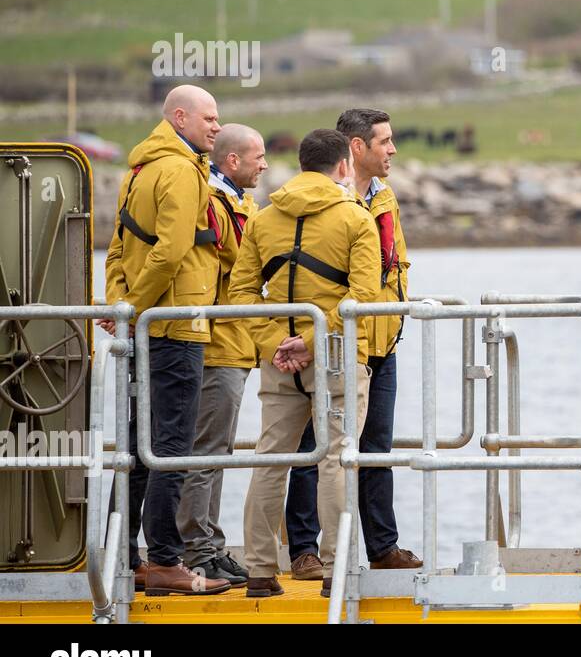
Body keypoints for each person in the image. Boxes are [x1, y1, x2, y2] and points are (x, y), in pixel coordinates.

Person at [229, 129, 382, 598]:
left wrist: (278, 340)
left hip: (279, 360)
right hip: (335, 353)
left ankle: (258, 571)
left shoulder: (263, 219)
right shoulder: (356, 220)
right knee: (337, 459)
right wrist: (312, 340)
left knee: (270, 458)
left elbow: (239, 295)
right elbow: (364, 295)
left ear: (300, 165)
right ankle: (335, 571)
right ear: (343, 167)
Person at [101, 84, 230, 595]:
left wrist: (122, 305)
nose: (217, 126)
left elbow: (117, 247)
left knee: (136, 447)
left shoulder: (138, 169)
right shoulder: (180, 168)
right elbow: (174, 250)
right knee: (171, 447)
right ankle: (166, 561)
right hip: (176, 326)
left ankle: (128, 555)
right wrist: (138, 308)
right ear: (180, 117)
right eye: (210, 117)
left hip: (147, 326)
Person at [284, 109, 421, 578]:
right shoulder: (325, 202)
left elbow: (395, 265)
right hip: (335, 345)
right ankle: (303, 549)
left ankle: (383, 545)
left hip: (382, 340)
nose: (392, 150)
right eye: (384, 141)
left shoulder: (385, 198)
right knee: (315, 447)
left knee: (375, 448)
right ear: (356, 148)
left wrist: (398, 315)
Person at [176, 123, 267, 587]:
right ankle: (197, 550)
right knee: (205, 450)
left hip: (234, 343)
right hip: (218, 344)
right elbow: (241, 255)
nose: (265, 165)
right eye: (258, 157)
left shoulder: (234, 201)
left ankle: (209, 542)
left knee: (217, 449)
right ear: (233, 161)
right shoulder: (215, 201)